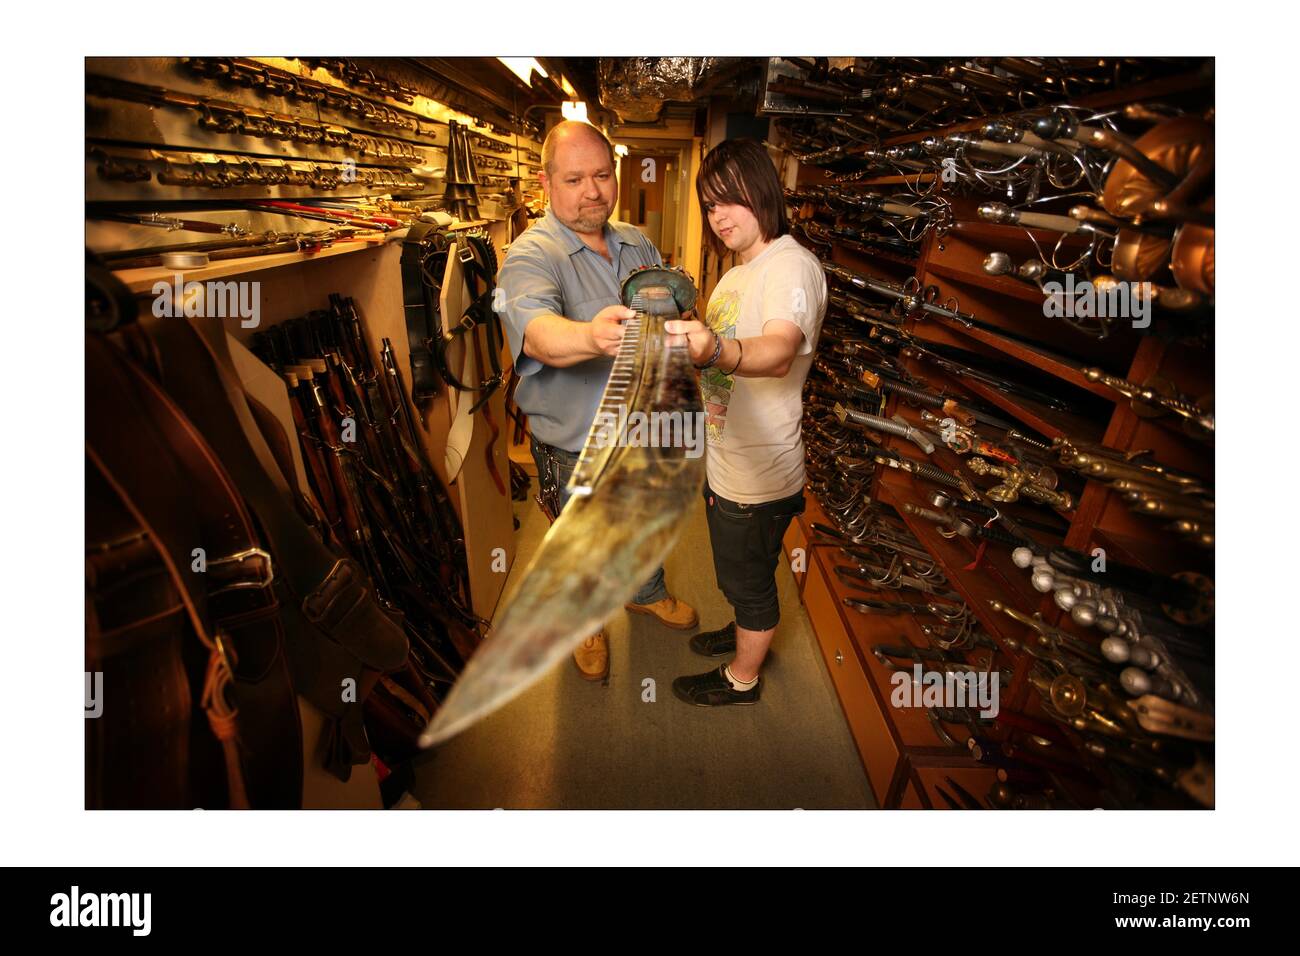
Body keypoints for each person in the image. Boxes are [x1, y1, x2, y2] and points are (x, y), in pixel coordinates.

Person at [497, 120, 699, 682]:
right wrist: (591, 335)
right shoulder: (529, 255)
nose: (593, 191)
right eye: (574, 178)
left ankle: (645, 591)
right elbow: (537, 331)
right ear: (545, 183)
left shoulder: (636, 240)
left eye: (603, 175)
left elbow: (665, 312)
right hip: (575, 444)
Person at [664, 138, 827, 706]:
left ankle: (743, 678)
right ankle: (741, 632)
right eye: (710, 205)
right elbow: (718, 351)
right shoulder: (737, 275)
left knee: (749, 583)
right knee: (737, 573)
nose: (719, 217)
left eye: (730, 200)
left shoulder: (791, 266)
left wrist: (715, 352)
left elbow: (778, 350)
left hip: (761, 474)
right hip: (728, 462)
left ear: (764, 192)